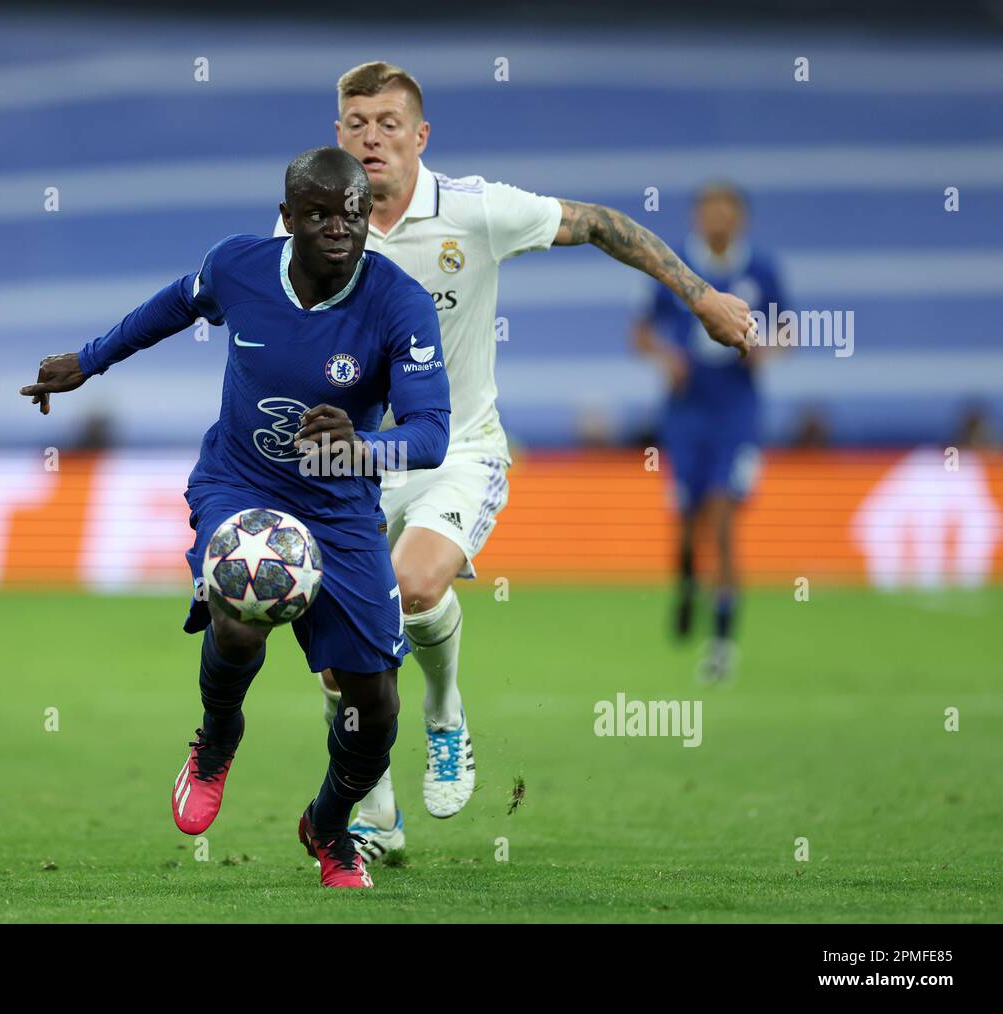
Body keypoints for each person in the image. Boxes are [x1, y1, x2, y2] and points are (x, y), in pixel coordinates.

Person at [277, 63, 755, 857]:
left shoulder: (475, 211)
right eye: (356, 122)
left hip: (455, 450)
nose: (371, 137)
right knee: (337, 655)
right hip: (351, 462)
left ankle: (443, 717)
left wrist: (700, 296)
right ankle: (375, 813)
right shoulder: (304, 226)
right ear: (337, 134)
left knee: (413, 584)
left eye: (389, 123)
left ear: (420, 137)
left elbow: (602, 223)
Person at [19, 147, 450, 888]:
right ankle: (218, 738)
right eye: (318, 213)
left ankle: (329, 824)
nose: (339, 226)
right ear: (288, 220)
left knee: (374, 708)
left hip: (342, 514)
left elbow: (431, 434)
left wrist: (361, 447)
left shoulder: (400, 304)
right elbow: (173, 304)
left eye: (352, 211)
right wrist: (91, 361)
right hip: (240, 483)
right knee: (241, 611)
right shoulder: (239, 268)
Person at [633, 182, 787, 682]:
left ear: (741, 220)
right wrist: (665, 357)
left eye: (727, 212)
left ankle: (720, 643)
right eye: (710, 212)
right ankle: (685, 585)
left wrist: (768, 348)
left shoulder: (760, 268)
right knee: (686, 521)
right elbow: (641, 330)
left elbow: (787, 329)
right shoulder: (675, 264)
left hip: (737, 412)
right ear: (698, 217)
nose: (718, 220)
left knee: (722, 519)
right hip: (686, 412)